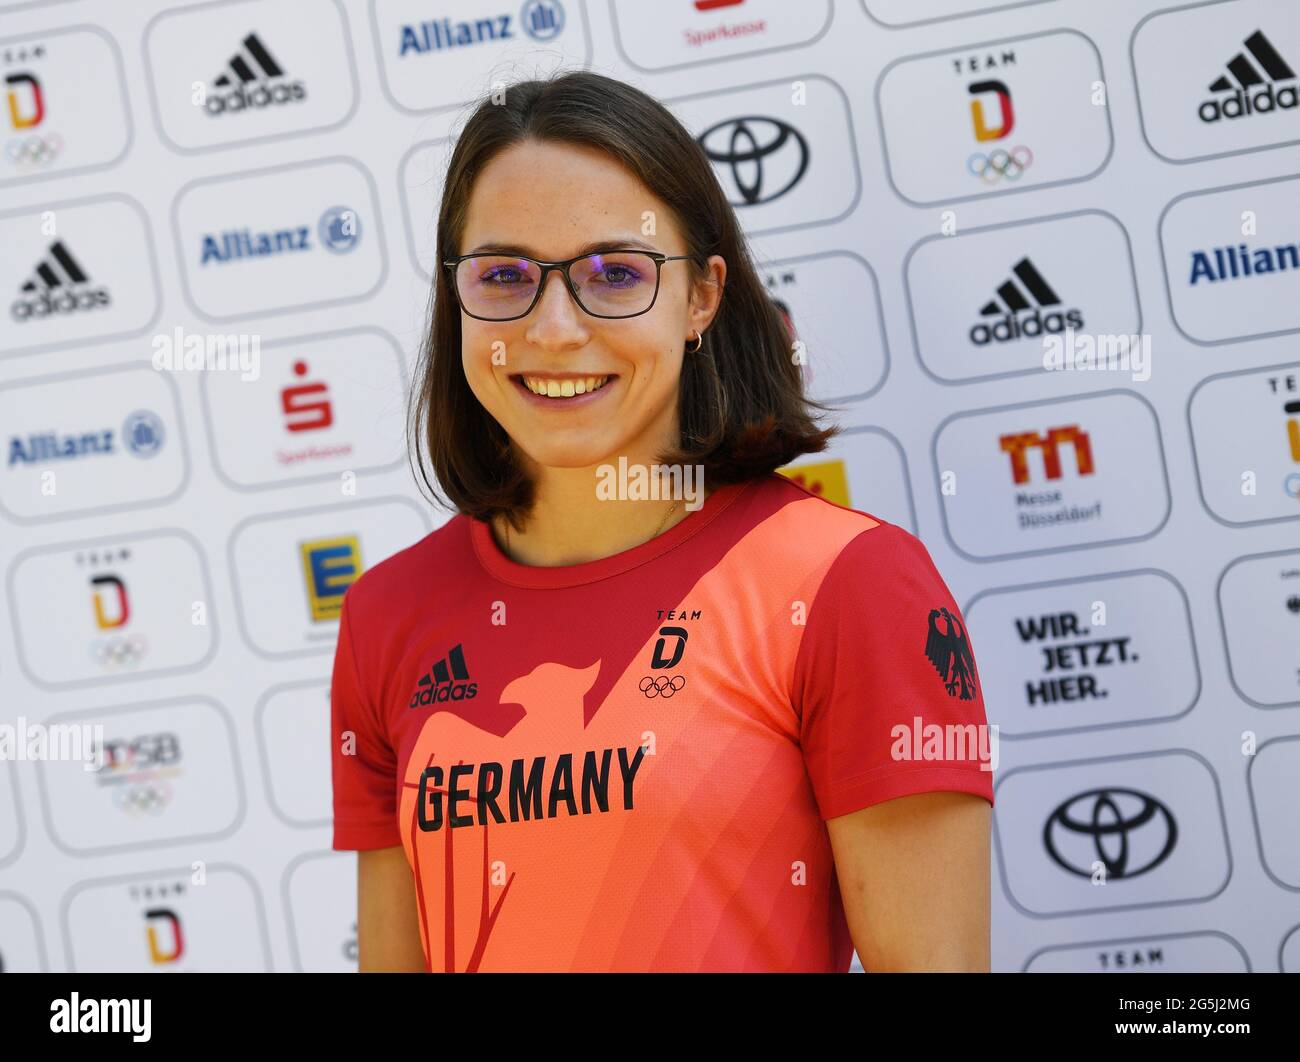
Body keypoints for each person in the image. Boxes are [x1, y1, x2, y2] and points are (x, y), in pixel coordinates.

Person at [330, 69, 994, 973]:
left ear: (702, 298)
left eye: (613, 274)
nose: (555, 328)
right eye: (504, 275)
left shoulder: (845, 582)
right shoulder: (387, 615)